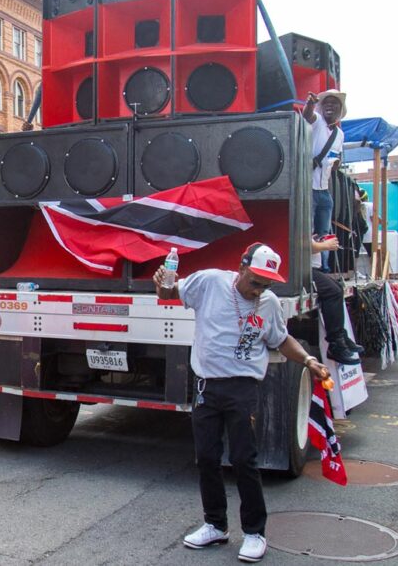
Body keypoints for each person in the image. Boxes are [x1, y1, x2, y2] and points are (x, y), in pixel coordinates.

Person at [154, 243, 330, 563]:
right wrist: (162, 283)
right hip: (207, 385)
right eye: (255, 281)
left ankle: (254, 532)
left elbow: (280, 339)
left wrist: (307, 360)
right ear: (242, 267)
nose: (259, 290)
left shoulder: (269, 304)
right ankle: (215, 525)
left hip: (244, 388)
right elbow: (168, 293)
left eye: (266, 284)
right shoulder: (208, 282)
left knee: (243, 460)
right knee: (206, 457)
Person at [303, 89, 347, 272]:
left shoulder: (339, 134)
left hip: (324, 189)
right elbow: (308, 115)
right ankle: (311, 269)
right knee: (309, 230)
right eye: (326, 103)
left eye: (334, 103)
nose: (330, 106)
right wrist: (310, 103)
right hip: (310, 187)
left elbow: (335, 156)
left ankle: (324, 269)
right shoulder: (318, 122)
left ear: (340, 109)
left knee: (325, 233)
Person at [312, 237, 362, 364]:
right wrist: (325, 245)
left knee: (338, 288)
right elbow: (303, 245)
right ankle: (336, 343)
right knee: (333, 291)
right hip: (300, 269)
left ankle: (340, 336)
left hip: (308, 267)